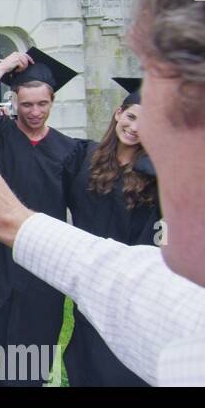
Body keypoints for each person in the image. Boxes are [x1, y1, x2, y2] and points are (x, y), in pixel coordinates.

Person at [0, 47, 79, 385]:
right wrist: (4, 66)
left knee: (35, 340)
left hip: (41, 257)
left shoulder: (70, 151)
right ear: (13, 102)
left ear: (52, 102)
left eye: (42, 104)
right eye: (26, 104)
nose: (35, 112)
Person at [62, 77, 159, 386]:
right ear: (119, 113)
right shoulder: (83, 157)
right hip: (88, 277)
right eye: (131, 116)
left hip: (130, 285)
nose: (134, 127)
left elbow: (164, 233)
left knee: (122, 364)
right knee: (86, 357)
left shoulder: (157, 175)